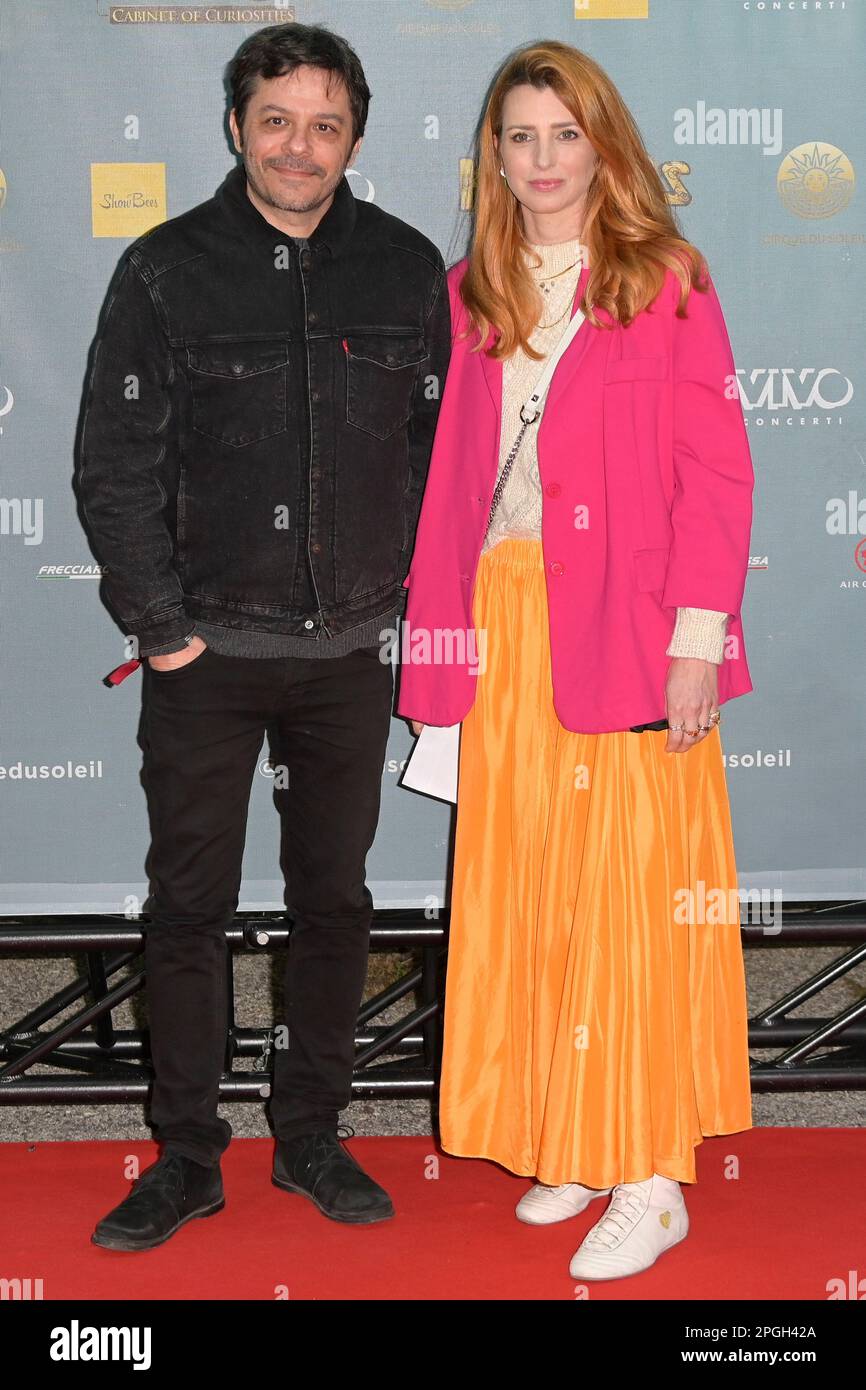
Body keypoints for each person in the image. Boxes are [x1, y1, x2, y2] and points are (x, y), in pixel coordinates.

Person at [76, 21, 450, 1251]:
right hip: (207, 654)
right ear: (236, 125)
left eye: (324, 124)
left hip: (347, 655)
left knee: (331, 901)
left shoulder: (405, 269)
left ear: (354, 137)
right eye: (277, 120)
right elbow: (114, 464)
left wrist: (408, 604)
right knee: (187, 905)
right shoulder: (165, 270)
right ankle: (187, 1153)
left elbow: (432, 453)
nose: (299, 146)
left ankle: (309, 1133)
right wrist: (163, 630)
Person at [396, 39, 754, 1282]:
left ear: (603, 146)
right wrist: (440, 657)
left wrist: (694, 643)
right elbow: (449, 490)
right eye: (519, 137)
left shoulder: (663, 278)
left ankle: (648, 1173)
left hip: (625, 627)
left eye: (563, 133)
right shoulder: (473, 289)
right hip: (502, 619)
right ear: (492, 158)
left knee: (628, 902)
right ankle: (580, 1137)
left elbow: (714, 473)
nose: (542, 159)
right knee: (535, 893)